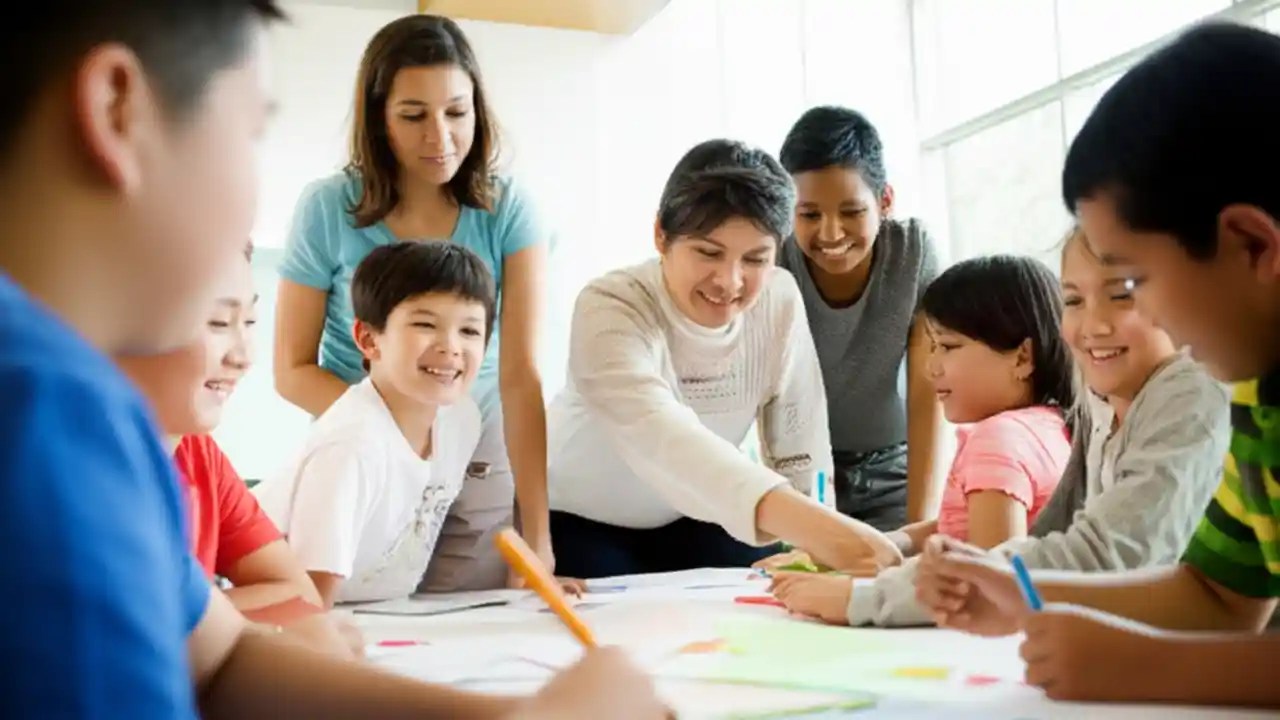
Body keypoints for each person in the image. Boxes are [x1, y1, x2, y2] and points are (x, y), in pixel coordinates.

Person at [0, 1, 666, 717]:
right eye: (250, 133)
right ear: (116, 108)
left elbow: (222, 659)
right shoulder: (44, 417)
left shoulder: (111, 417)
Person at [915, 22, 1280, 708]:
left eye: (1136, 281)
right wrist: (1022, 592)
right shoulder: (1260, 398)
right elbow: (1220, 597)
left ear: (1251, 247)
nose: (1148, 317)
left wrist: (1151, 668)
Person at [770, 227, 1229, 626]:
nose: (1092, 325)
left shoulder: (1191, 394)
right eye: (1072, 299)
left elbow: (1106, 554)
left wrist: (872, 597)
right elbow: (1049, 537)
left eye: (1122, 294)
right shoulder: (1100, 401)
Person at [273, 14, 557, 591]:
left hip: (476, 435)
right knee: (357, 596)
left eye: (457, 112)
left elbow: (521, 377)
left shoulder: (509, 207)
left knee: (468, 610)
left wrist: (539, 534)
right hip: (368, 430)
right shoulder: (327, 207)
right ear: (379, 119)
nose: (440, 137)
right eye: (413, 116)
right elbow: (291, 369)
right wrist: (398, 428)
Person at [545, 138, 904, 579]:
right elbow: (659, 435)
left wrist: (814, 540)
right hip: (581, 521)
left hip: (699, 516)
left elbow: (800, 439)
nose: (729, 282)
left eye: (755, 258)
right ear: (661, 235)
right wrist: (829, 534)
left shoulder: (779, 297)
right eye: (708, 253)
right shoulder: (610, 305)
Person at [119, 241, 359, 656]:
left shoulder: (198, 453)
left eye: (248, 321)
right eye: (217, 322)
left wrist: (194, 623)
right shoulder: (74, 466)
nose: (244, 357)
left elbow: (295, 591)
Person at [259, 242, 492, 607]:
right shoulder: (352, 443)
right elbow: (306, 606)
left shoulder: (461, 420)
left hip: (372, 618)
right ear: (368, 339)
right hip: (267, 611)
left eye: (470, 331)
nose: (451, 347)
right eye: (425, 324)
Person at [776, 105, 942, 531]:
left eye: (851, 212)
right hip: (803, 470)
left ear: (884, 200)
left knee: (900, 580)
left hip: (893, 472)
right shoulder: (774, 259)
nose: (830, 234)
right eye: (809, 215)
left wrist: (917, 530)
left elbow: (931, 386)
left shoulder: (913, 252)